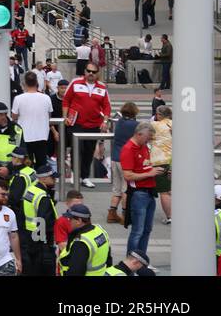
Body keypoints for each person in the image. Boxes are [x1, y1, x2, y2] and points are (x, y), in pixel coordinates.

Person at [62, 61, 111, 188]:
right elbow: (66, 100)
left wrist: (105, 121)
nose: (90, 74)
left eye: (93, 72)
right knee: (77, 149)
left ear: (97, 74)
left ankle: (84, 177)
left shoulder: (102, 87)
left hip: (93, 125)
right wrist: (65, 117)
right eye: (88, 71)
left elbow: (107, 107)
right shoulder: (75, 82)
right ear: (84, 71)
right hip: (76, 123)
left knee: (89, 151)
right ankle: (74, 174)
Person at [119, 121, 162, 262]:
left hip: (148, 192)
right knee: (138, 230)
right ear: (139, 134)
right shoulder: (129, 149)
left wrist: (157, 172)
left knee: (146, 229)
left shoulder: (143, 147)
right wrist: (150, 173)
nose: (149, 139)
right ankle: (131, 261)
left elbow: (143, 168)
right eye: (148, 136)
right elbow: (128, 175)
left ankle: (141, 261)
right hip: (138, 194)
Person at [19, 163, 59, 276]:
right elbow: (43, 222)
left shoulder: (30, 190)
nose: (55, 180)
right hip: (41, 242)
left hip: (28, 237)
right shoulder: (42, 196)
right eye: (53, 177)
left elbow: (22, 214)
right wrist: (45, 248)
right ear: (44, 179)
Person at [57, 203, 113, 275]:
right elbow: (108, 259)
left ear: (79, 221)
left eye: (70, 219)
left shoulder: (81, 243)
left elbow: (76, 272)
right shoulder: (100, 230)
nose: (69, 221)